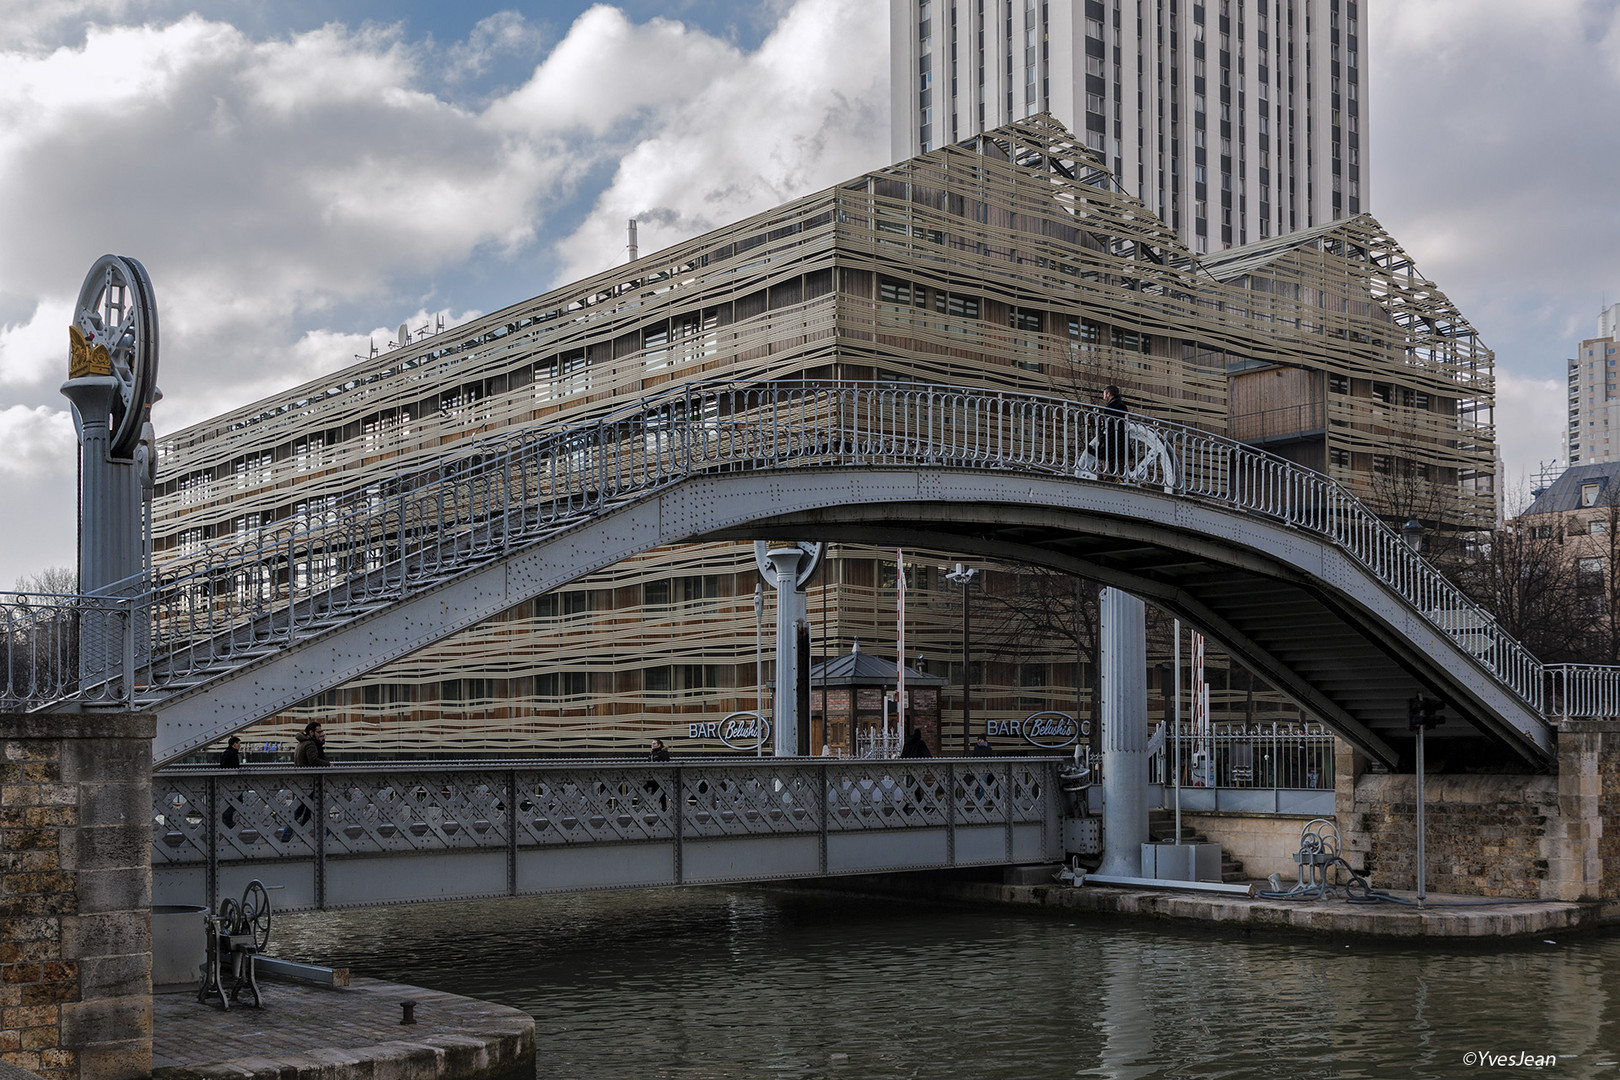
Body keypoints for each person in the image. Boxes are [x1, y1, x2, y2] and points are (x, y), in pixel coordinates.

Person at [1099, 384, 1129, 473]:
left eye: (1104, 394)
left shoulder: (1111, 406)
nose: (1103, 396)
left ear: (1108, 394)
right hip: (1121, 442)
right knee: (1119, 468)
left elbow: (1107, 424)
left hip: (1111, 441)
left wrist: (1101, 437)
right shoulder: (1122, 405)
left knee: (1108, 469)